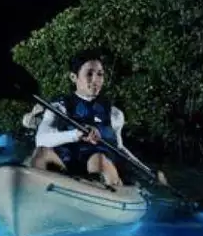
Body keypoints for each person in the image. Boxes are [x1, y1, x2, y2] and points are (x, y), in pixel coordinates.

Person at [29, 50, 141, 186]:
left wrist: (148, 172)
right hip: (66, 166)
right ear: (73, 77)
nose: (96, 80)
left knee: (97, 159)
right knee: (40, 152)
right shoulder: (59, 108)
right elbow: (41, 140)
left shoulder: (115, 114)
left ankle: (111, 189)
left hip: (99, 167)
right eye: (89, 74)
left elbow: (120, 148)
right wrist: (77, 135)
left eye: (100, 74)